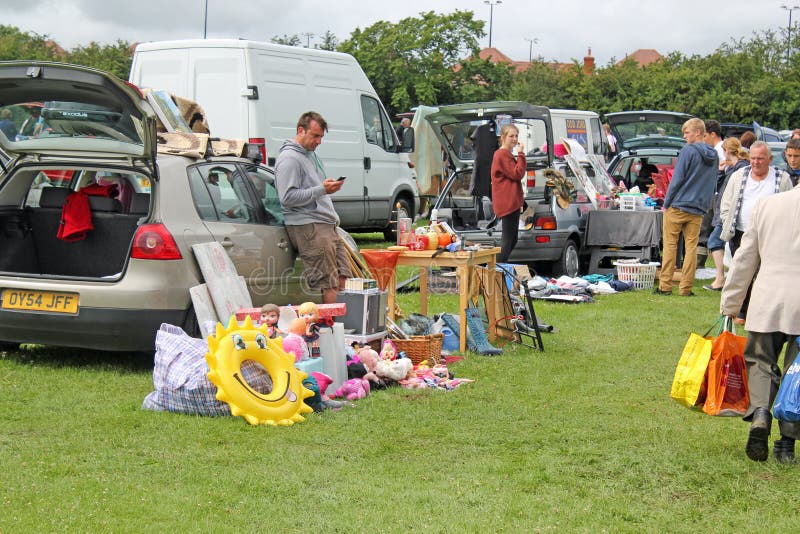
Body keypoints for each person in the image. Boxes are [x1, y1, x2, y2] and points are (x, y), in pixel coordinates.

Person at [720, 185, 800, 463]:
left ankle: (762, 413)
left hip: (768, 298)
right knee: (797, 373)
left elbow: (744, 258)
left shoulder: (767, 205)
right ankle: (786, 442)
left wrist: (731, 302)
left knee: (760, 362)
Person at [274, 111, 351, 304]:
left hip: (326, 224)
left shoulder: (309, 155)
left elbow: (313, 190)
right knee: (329, 283)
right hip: (309, 226)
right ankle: (330, 330)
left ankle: (343, 328)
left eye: (321, 137)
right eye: (315, 136)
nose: (319, 141)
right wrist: (320, 190)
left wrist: (324, 188)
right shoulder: (290, 159)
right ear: (301, 130)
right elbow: (287, 198)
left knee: (344, 277)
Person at [718, 141, 792, 322]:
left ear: (770, 159)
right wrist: (728, 221)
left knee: (764, 274)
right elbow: (726, 202)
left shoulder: (781, 179)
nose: (755, 162)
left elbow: (790, 207)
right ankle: (741, 312)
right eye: (752, 158)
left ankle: (759, 312)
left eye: (760, 158)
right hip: (741, 232)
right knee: (741, 273)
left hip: (770, 234)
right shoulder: (738, 176)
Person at [654, 118, 718, 296]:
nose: (684, 136)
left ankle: (665, 286)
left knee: (670, 245)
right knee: (691, 248)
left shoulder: (688, 151)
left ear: (698, 132)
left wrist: (666, 203)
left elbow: (677, 180)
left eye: (687, 132)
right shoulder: (714, 154)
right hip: (698, 208)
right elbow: (713, 183)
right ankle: (686, 288)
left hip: (679, 205)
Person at [703, 137, 749, 291]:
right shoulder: (732, 168)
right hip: (723, 212)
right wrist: (721, 172)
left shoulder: (741, 168)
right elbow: (719, 186)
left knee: (715, 241)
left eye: (724, 151)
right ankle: (726, 278)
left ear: (728, 151)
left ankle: (721, 278)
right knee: (730, 246)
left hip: (731, 214)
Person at [490, 123, 526, 263]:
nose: (515, 138)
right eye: (511, 136)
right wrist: (521, 154)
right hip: (508, 202)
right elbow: (517, 173)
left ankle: (501, 266)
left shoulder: (506, 154)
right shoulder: (502, 154)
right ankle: (497, 267)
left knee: (513, 238)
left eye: (516, 135)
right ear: (503, 137)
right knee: (508, 239)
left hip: (511, 202)